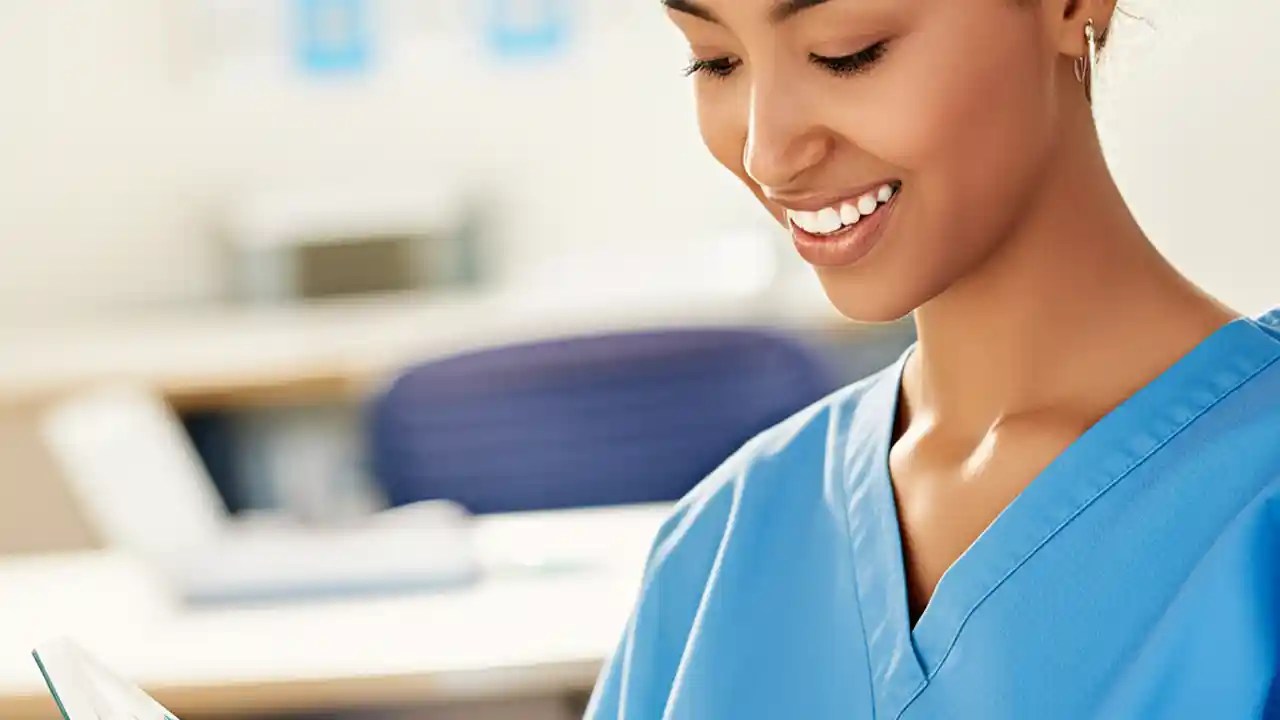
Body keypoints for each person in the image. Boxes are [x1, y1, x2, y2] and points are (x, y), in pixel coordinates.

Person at [586, 0, 1280, 717]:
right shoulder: (717, 547)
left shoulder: (1257, 512)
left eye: (848, 52)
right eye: (715, 60)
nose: (768, 153)